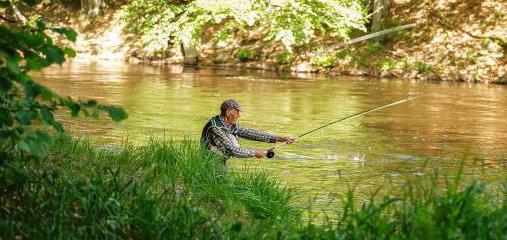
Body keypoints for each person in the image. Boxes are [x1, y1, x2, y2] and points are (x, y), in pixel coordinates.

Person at [201, 99, 295, 163]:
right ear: (228, 111)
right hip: (209, 161)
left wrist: (281, 138)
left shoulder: (229, 124)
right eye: (237, 112)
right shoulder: (216, 128)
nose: (239, 115)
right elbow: (232, 150)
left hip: (219, 160)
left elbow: (251, 133)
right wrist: (254, 153)